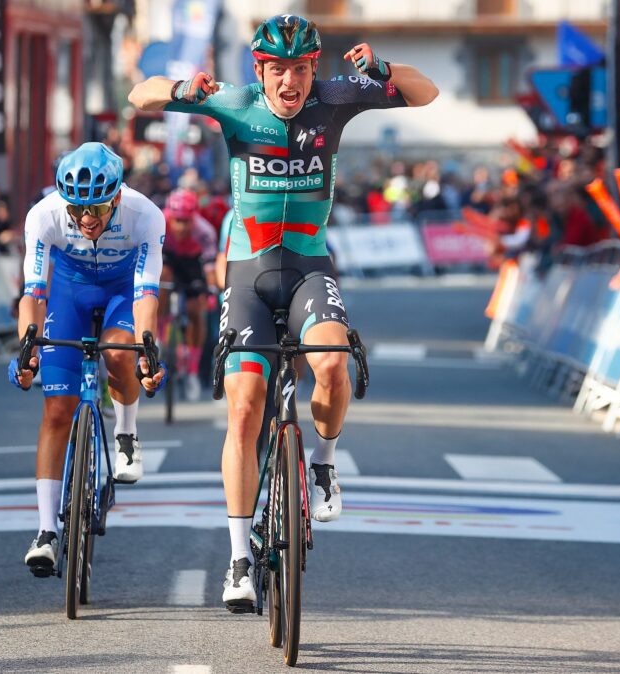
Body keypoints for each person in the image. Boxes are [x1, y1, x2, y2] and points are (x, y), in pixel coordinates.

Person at [128, 14, 438, 609]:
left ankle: (323, 463)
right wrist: (182, 91)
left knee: (333, 363)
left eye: (300, 69)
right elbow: (141, 97)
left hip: (308, 269)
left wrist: (383, 70)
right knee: (244, 408)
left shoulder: (339, 96)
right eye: (278, 70)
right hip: (247, 276)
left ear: (314, 68)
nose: (290, 82)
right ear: (260, 71)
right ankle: (240, 559)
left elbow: (427, 92)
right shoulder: (235, 103)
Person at [11, 142, 166, 577]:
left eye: (95, 208)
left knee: (120, 352)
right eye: (76, 209)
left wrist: (148, 352)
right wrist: (28, 348)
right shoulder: (43, 216)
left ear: (116, 195)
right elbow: (34, 293)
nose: (84, 219)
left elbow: (146, 295)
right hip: (69, 291)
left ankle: (127, 433)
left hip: (122, 291)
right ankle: (46, 531)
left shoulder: (146, 215)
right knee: (56, 410)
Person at [160, 187, 218, 401]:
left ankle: (192, 370)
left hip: (193, 264)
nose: (181, 226)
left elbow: (210, 267)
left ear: (194, 217)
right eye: (177, 220)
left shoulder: (205, 232)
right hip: (169, 260)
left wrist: (211, 292)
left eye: (186, 221)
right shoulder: (160, 222)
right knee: (161, 279)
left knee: (197, 312)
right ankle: (159, 333)